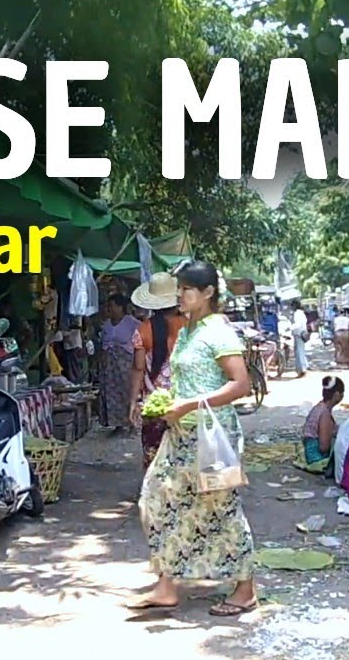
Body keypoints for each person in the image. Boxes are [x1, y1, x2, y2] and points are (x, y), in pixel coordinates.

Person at [133, 260, 257, 617]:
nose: (180, 295)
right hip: (182, 433)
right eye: (179, 288)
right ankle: (167, 584)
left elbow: (240, 384)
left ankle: (245, 587)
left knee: (221, 509)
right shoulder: (188, 329)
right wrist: (169, 400)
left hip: (212, 434)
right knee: (157, 499)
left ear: (207, 293)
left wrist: (189, 404)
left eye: (187, 289)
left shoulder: (218, 331)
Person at [129, 273, 183, 468]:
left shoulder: (143, 330)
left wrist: (133, 401)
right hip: (185, 400)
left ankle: (155, 492)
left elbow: (138, 368)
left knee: (153, 451)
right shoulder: (190, 325)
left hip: (154, 402)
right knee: (183, 452)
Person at [100, 294, 141, 433]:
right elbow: (104, 345)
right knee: (112, 393)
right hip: (110, 364)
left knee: (128, 391)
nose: (109, 309)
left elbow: (138, 344)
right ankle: (117, 423)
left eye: (112, 306)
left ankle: (131, 422)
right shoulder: (106, 325)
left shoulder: (132, 323)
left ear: (120, 307)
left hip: (126, 362)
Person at [300, 376, 345, 475]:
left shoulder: (319, 407)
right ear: (337, 395)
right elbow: (324, 446)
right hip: (316, 457)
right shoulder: (324, 413)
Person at [290, 303, 310, 376]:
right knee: (301, 351)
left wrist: (290, 327)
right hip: (302, 333)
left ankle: (302, 369)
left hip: (298, 333)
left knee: (299, 352)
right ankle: (304, 367)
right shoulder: (302, 313)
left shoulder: (297, 314)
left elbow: (297, 324)